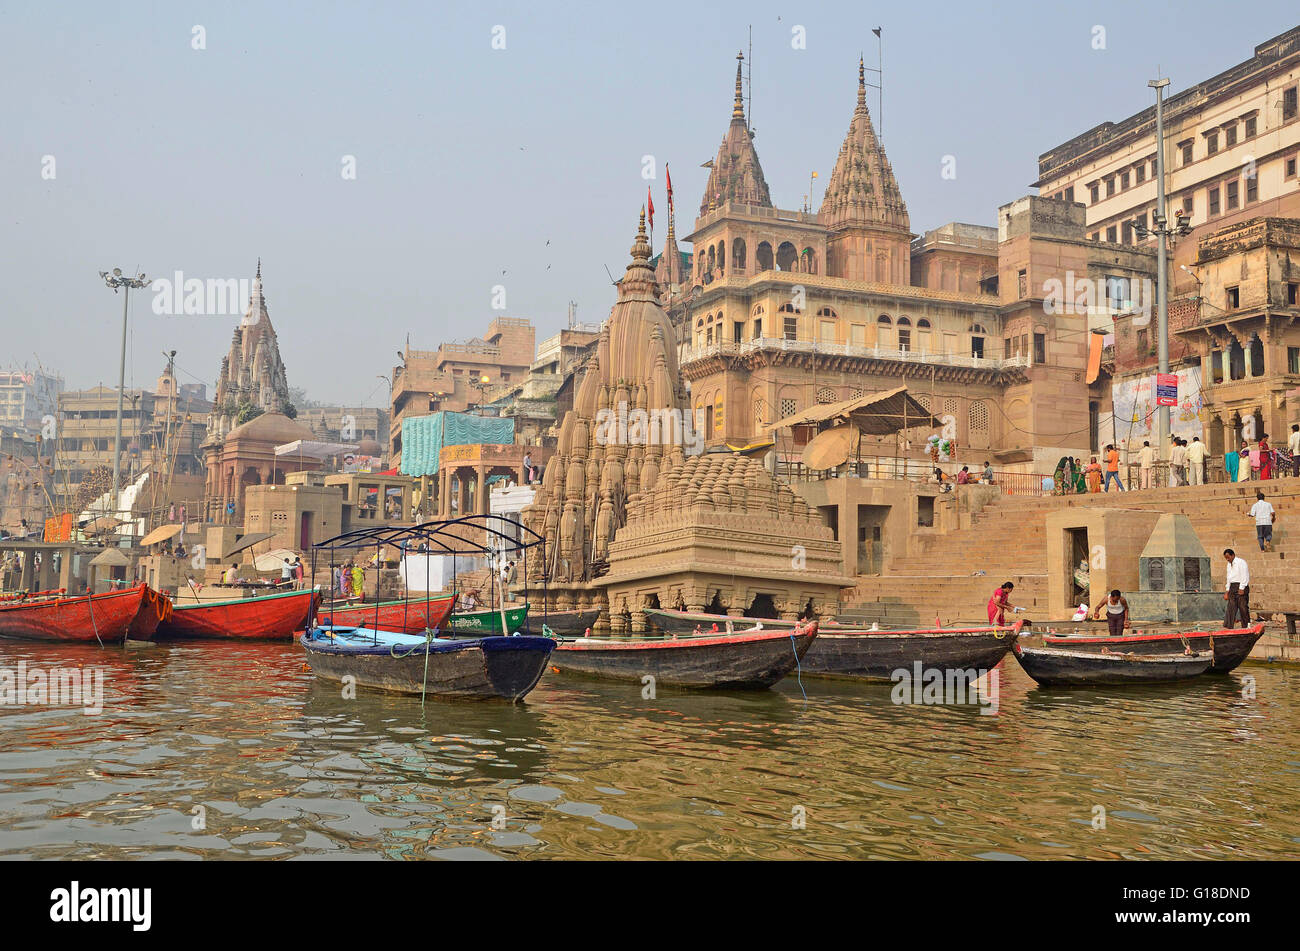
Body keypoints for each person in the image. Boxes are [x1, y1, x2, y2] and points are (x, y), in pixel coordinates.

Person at [1223, 548, 1251, 629]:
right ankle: (1228, 626)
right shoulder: (1228, 565)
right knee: (1231, 607)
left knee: (1243, 607)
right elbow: (1228, 578)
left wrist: (1242, 587)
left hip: (1241, 585)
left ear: (1233, 555)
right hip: (1232, 587)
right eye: (1226, 558)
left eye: (1228, 557)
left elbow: (1245, 575)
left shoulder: (1241, 562)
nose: (1227, 559)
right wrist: (1227, 591)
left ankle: (1246, 625)